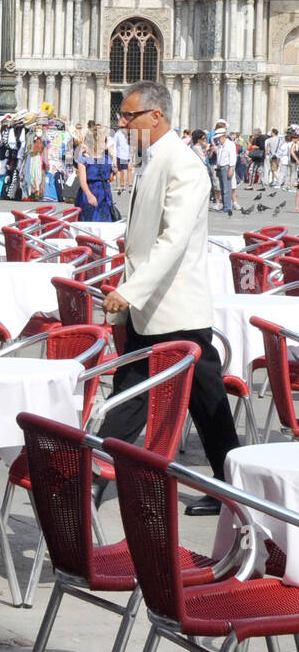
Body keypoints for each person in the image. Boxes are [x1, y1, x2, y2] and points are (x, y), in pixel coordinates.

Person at [99, 81, 239, 516]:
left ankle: (234, 488)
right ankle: (92, 476)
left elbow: (172, 241)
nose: (122, 124)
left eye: (129, 116)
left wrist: (130, 291)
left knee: (208, 403)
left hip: (175, 307)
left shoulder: (185, 165)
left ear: (155, 116)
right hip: (153, 309)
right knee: (133, 394)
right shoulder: (155, 160)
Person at [75, 133, 115, 221]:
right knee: (90, 219)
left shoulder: (107, 158)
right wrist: (89, 195)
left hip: (104, 193)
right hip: (90, 191)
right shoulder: (83, 159)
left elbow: (110, 176)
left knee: (105, 220)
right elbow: (82, 181)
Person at [211, 126, 236, 215]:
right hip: (220, 167)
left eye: (219, 138)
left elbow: (233, 157)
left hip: (226, 167)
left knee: (226, 188)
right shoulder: (220, 145)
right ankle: (225, 205)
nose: (218, 140)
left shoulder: (230, 144)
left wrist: (232, 168)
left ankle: (227, 207)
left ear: (223, 137)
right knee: (222, 188)